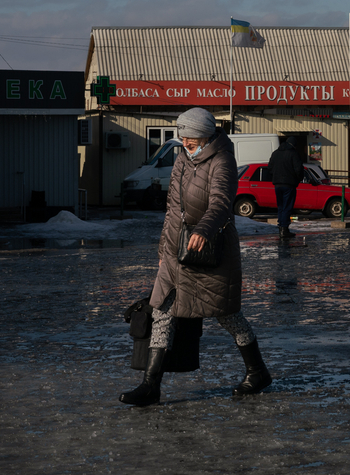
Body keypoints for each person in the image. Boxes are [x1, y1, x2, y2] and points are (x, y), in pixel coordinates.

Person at [120, 107, 270, 407]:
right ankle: (151, 385)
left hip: (211, 251)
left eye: (189, 137)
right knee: (162, 310)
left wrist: (204, 229)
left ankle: (257, 372)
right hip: (178, 250)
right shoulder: (182, 161)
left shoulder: (223, 160)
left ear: (204, 134)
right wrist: (164, 250)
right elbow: (173, 210)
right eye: (182, 137)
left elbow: (220, 204)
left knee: (226, 314)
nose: (184, 142)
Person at [268, 135, 303, 239]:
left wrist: (275, 176)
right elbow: (299, 170)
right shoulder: (293, 154)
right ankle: (284, 229)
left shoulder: (275, 153)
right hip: (289, 184)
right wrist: (298, 179)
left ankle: (281, 228)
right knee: (287, 207)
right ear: (294, 145)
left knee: (281, 206)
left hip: (277, 184)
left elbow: (269, 168)